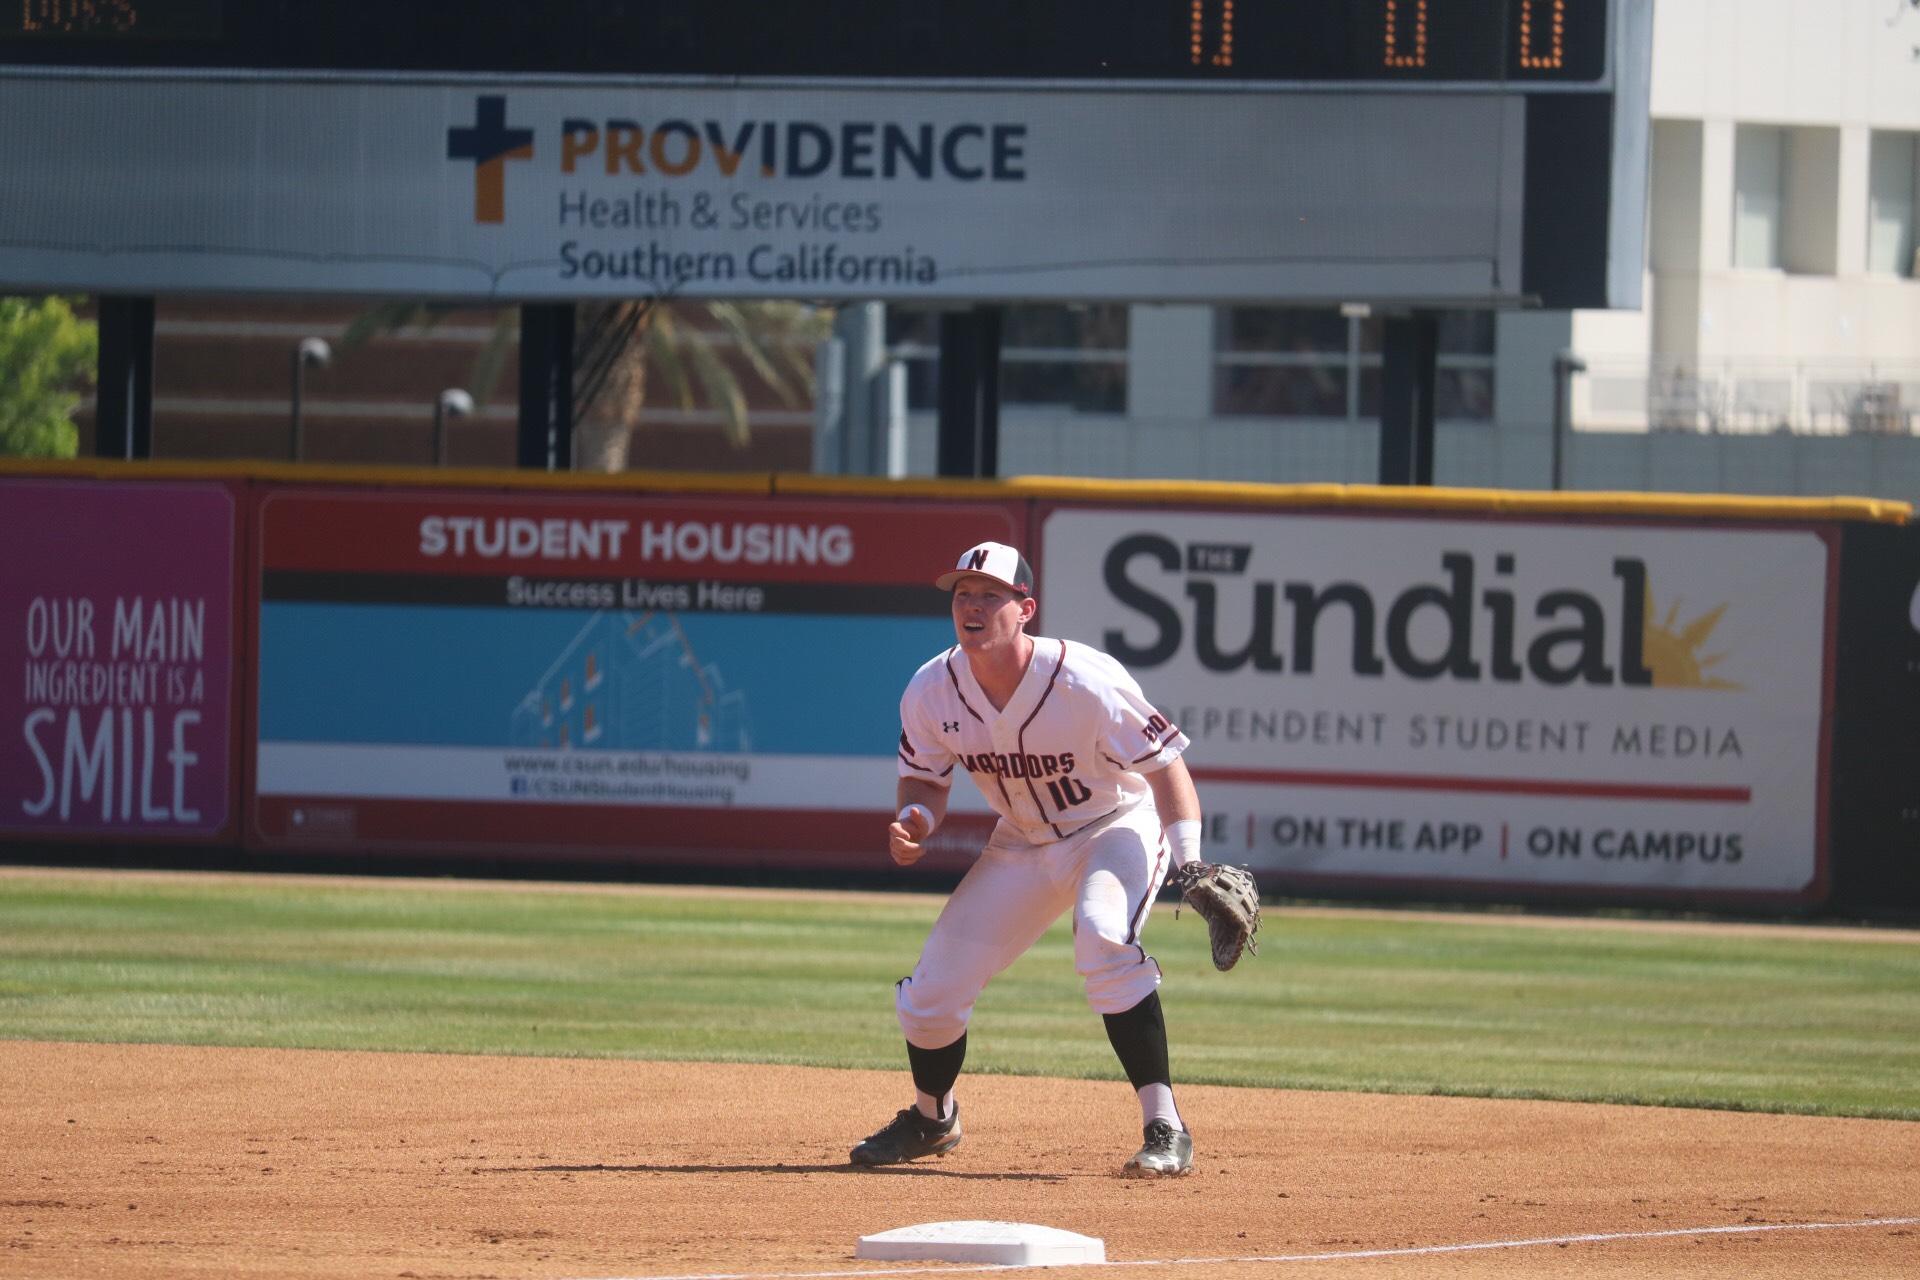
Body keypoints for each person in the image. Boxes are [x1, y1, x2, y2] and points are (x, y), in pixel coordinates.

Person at [849, 540, 1205, 1177]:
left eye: (991, 594)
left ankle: (1165, 1126)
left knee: (1102, 940)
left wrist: (1191, 862)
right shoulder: (932, 688)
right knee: (931, 994)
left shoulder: (1085, 680)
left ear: (1026, 609)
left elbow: (1165, 765)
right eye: (963, 594)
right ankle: (933, 1119)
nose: (973, 605)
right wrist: (916, 819)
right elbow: (925, 780)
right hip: (1021, 842)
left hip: (1112, 825)